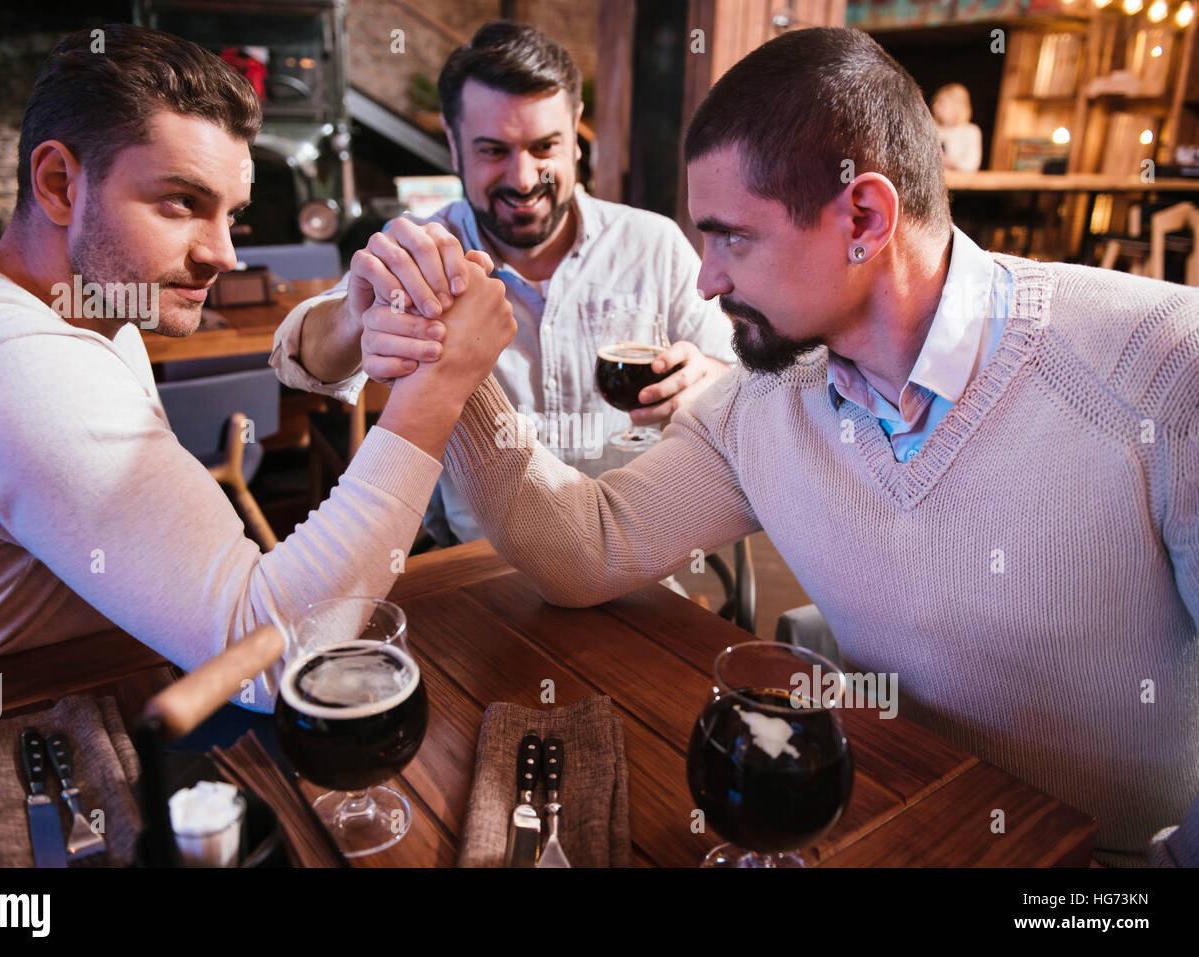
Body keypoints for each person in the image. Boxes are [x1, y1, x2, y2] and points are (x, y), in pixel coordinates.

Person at [385, 28, 1199, 866]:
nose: (705, 279)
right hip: (881, 820)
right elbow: (586, 547)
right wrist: (457, 373)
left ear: (864, 217)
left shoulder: (1168, 370)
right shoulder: (763, 399)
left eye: (732, 236)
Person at [0, 24, 513, 794]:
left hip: (94, 705)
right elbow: (269, 653)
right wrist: (438, 388)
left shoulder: (53, 304)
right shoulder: (11, 364)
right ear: (59, 184)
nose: (223, 252)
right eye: (181, 203)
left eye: (231, 212)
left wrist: (355, 321)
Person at [270, 20, 734, 545]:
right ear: (453, 142)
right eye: (493, 150)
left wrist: (704, 379)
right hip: (479, 563)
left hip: (635, 550)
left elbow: (738, 381)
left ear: (576, 135)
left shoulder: (652, 243)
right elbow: (301, 361)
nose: (521, 177)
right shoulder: (424, 249)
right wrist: (356, 316)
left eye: (543, 147)